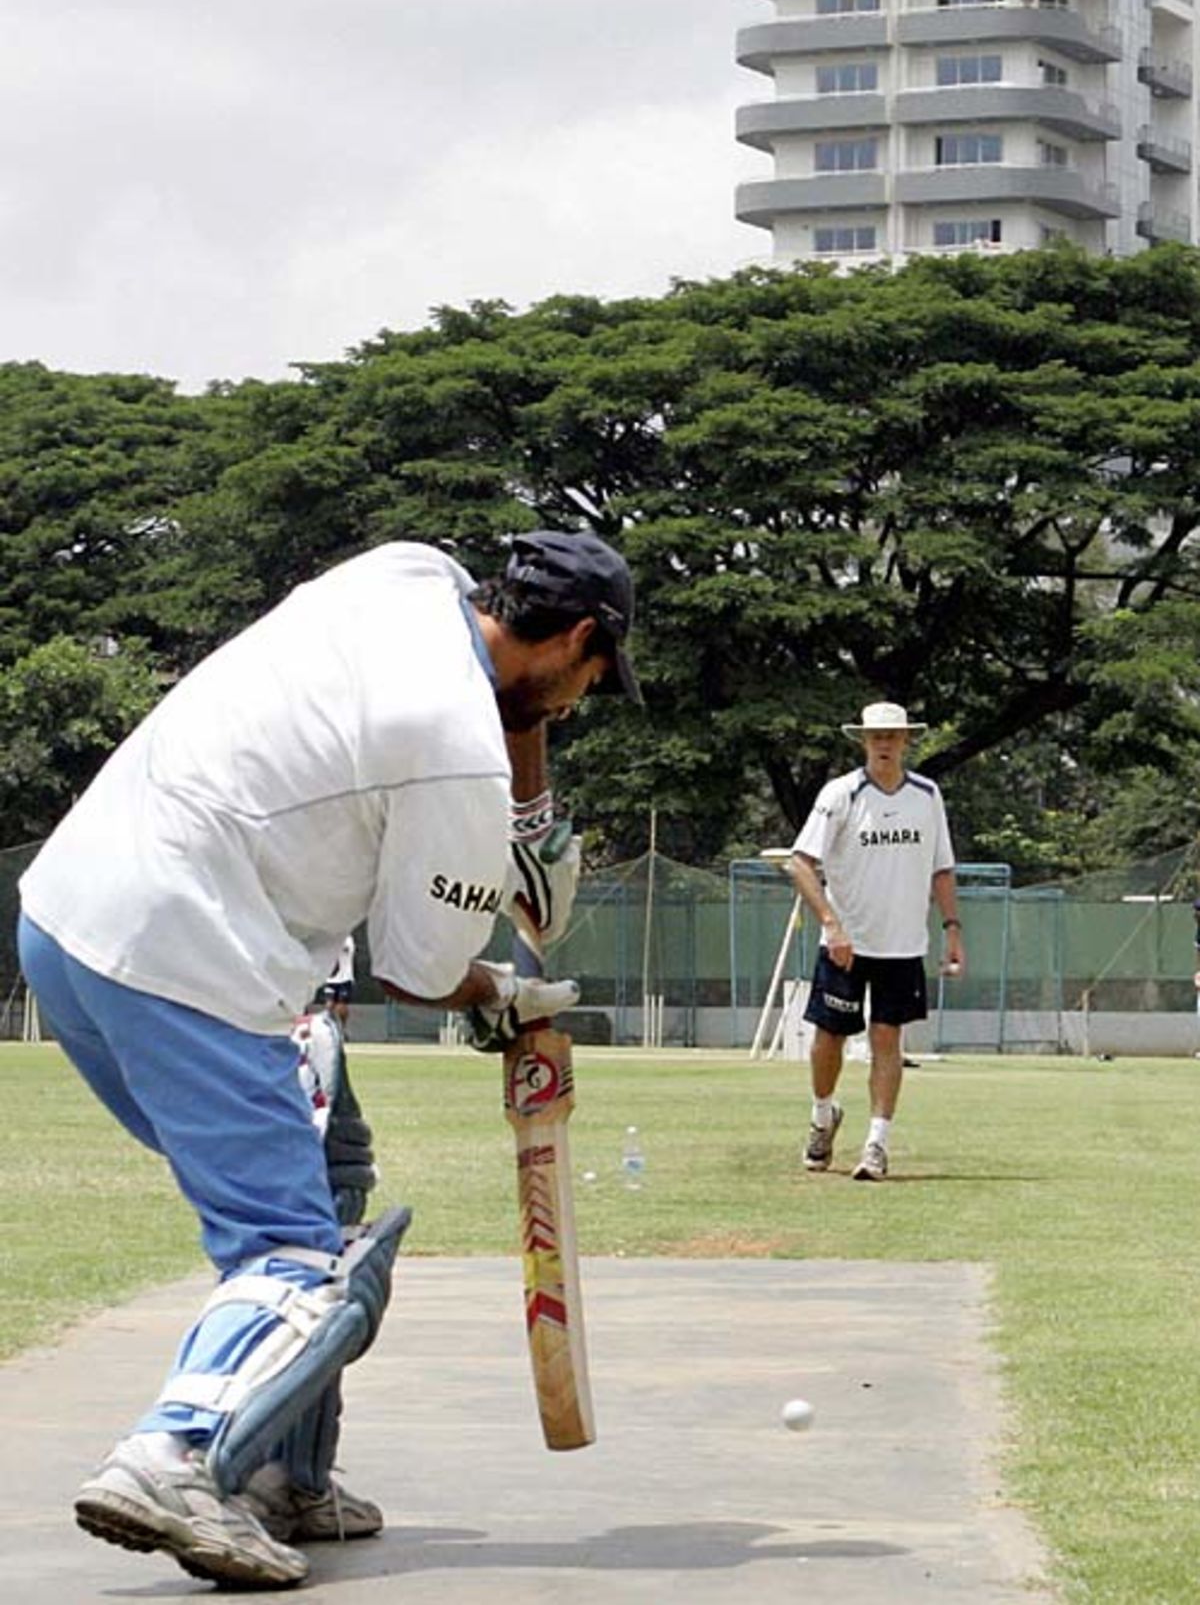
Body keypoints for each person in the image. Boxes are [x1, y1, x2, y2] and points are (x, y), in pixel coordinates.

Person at [16, 529, 642, 1590]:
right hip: (191, 961)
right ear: (580, 635)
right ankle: (175, 1454)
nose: (581, 700)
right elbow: (418, 967)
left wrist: (526, 708)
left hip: (67, 918)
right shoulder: (456, 751)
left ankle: (285, 1475)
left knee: (332, 1165)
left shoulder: (405, 572)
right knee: (292, 1253)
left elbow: (499, 709)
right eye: (589, 675)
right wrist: (502, 992)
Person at [787, 701, 964, 1183]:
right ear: (863, 740)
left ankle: (876, 1145)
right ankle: (823, 1116)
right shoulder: (841, 794)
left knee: (888, 1038)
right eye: (875, 736)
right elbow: (799, 863)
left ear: (907, 740)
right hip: (847, 945)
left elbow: (942, 868)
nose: (884, 744)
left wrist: (952, 929)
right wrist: (832, 924)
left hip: (903, 945)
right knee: (830, 1038)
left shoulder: (927, 796)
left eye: (893, 736)